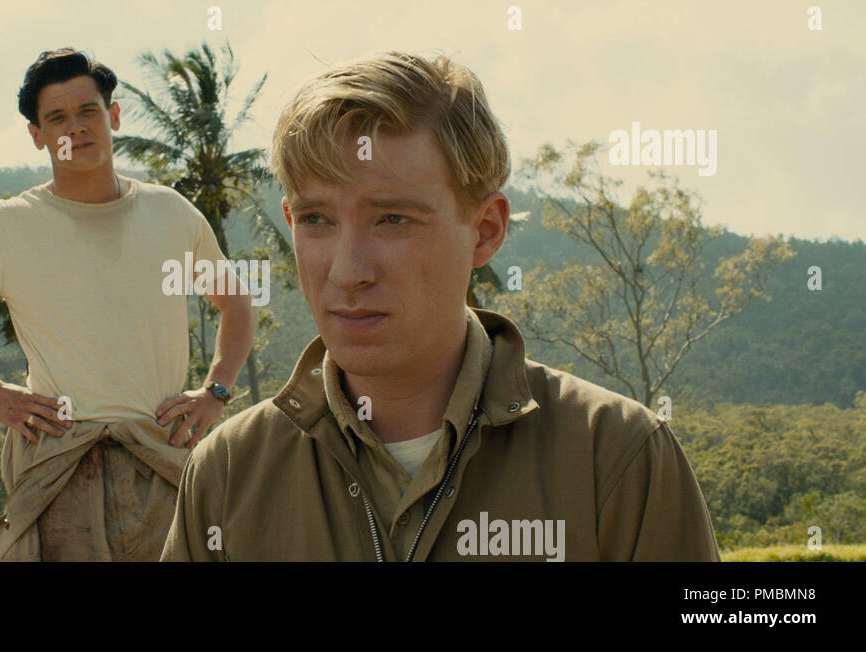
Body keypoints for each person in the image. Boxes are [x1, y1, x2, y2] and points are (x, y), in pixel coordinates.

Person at [161, 51, 720, 562]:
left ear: (485, 228)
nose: (348, 270)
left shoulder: (615, 456)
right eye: (316, 220)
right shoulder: (230, 474)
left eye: (393, 219)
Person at [0, 48, 254, 561]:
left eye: (88, 111)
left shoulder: (169, 212)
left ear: (114, 116)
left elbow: (237, 303)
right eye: (56, 118)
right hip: (61, 466)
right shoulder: (6, 226)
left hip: (165, 457)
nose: (76, 128)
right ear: (37, 135)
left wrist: (215, 391)